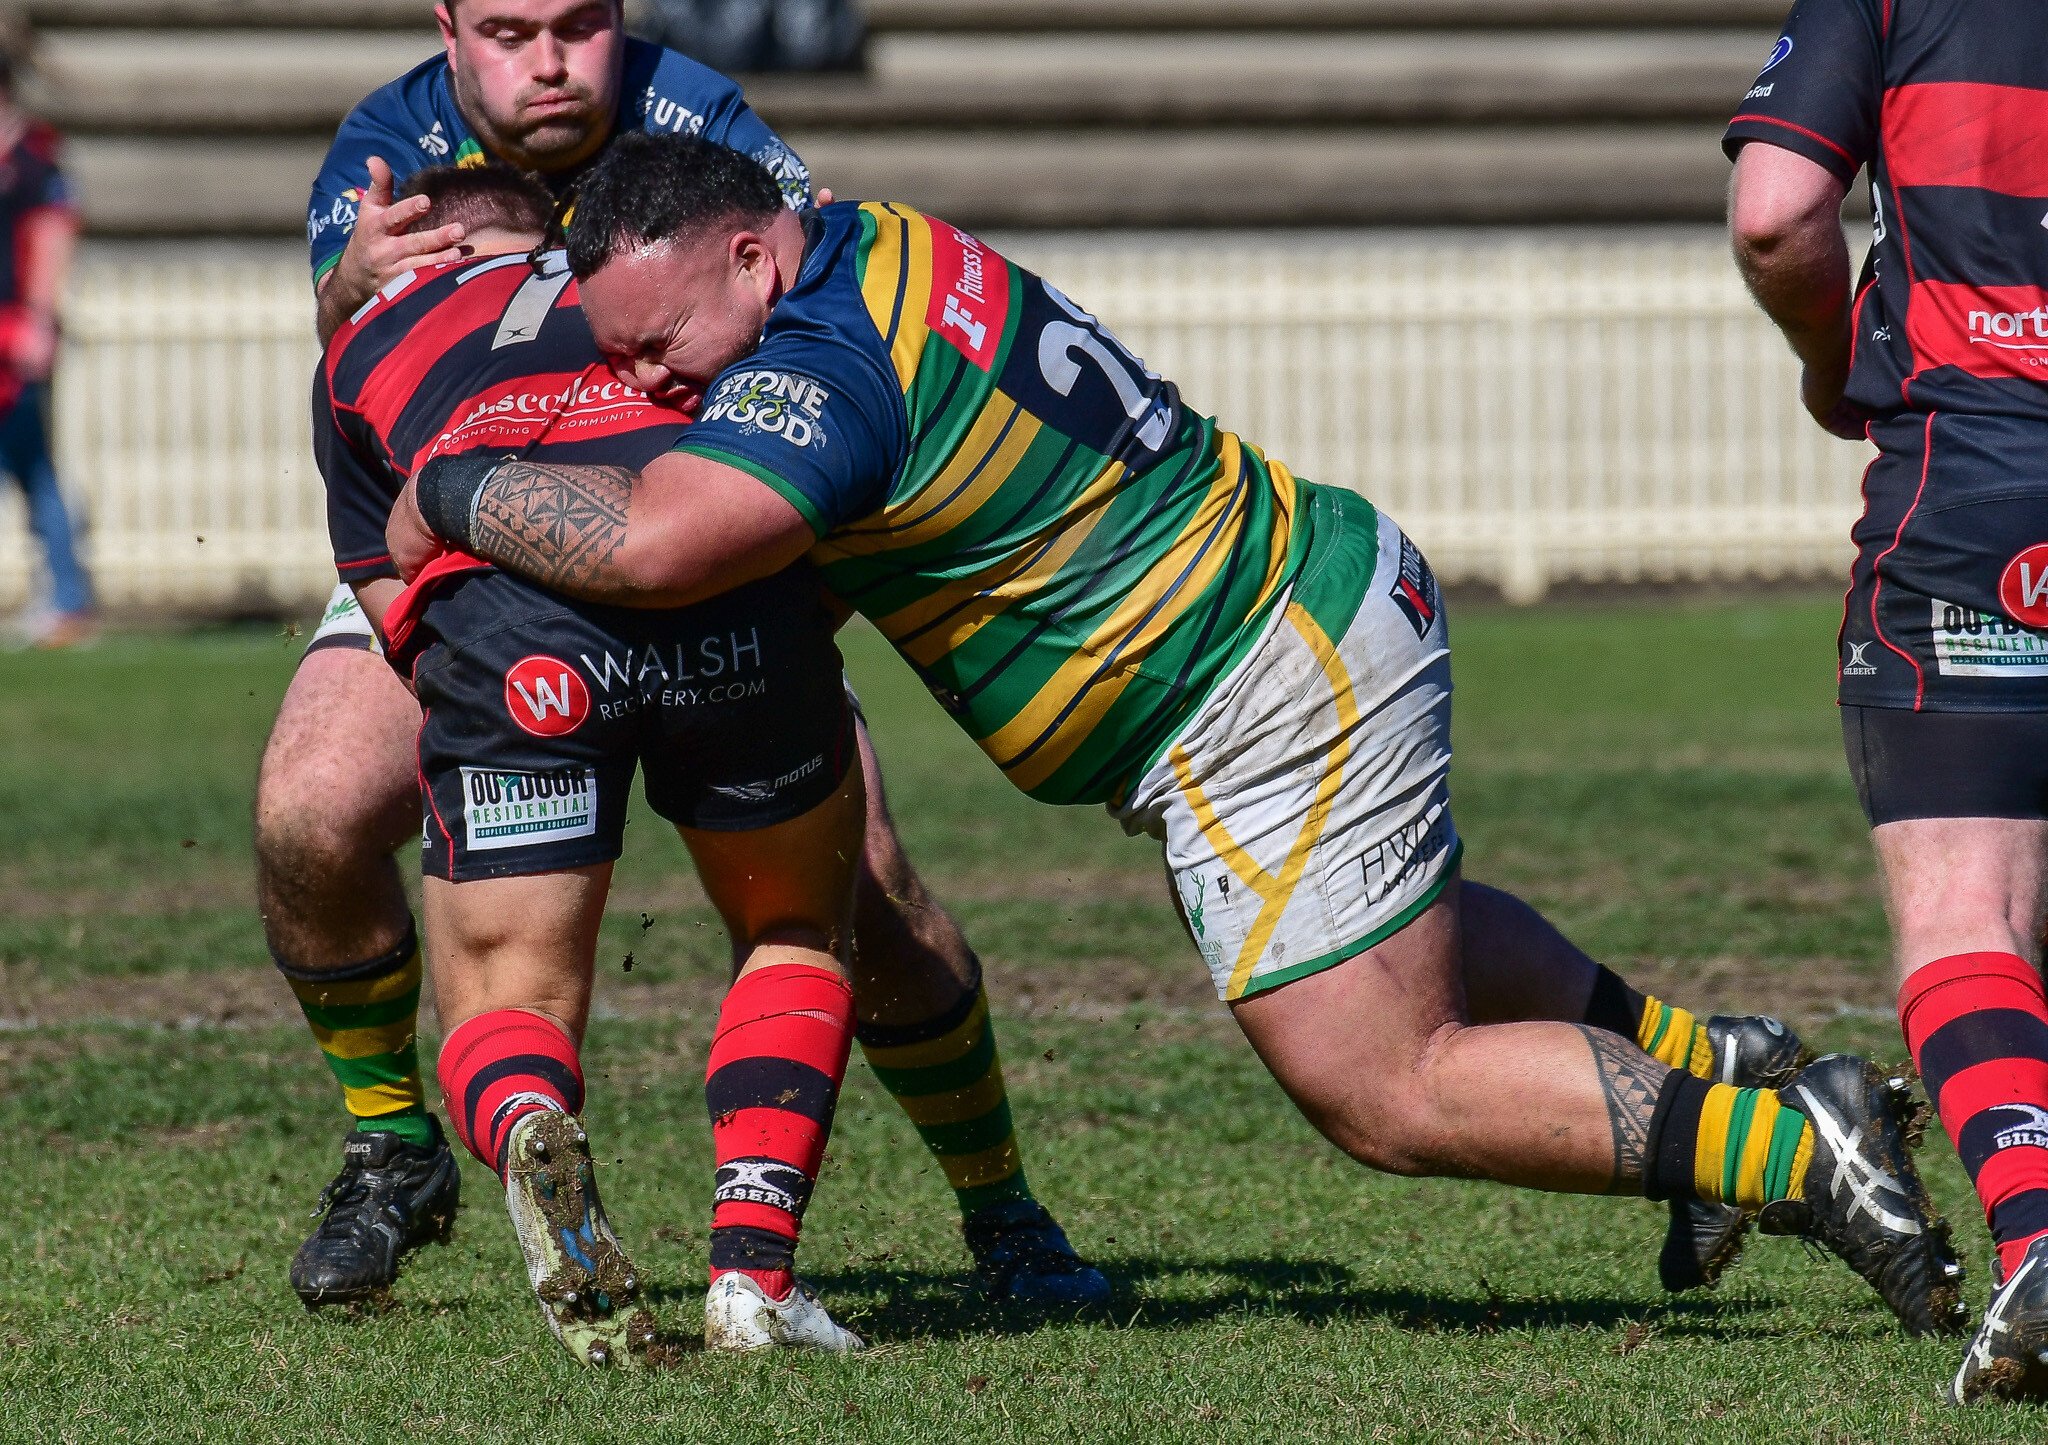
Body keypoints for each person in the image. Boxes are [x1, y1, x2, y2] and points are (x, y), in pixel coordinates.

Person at [390, 132, 1970, 1337]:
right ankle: (1732, 1063)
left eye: (655, 341)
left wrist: (449, 491)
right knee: (1397, 939)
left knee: (1383, 1086)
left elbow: (667, 541)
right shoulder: (865, 246)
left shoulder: (824, 361)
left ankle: (1798, 1156)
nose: (638, 378)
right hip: (1298, 606)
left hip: (1257, 679)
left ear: (747, 252)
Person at [268, 0, 1103, 1313]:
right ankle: (391, 1148)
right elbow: (354, 367)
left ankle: (1001, 1209)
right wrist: (341, 290)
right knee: (310, 812)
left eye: (579, 24)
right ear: (447, 30)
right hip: (478, 508)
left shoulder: (701, 112)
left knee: (870, 880)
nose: (549, 62)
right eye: (507, 31)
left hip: (663, 513)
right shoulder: (385, 142)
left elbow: (792, 322)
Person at [319, 165, 870, 1359]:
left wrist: (484, 678)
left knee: (506, 993)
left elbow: (385, 578)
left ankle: (524, 1116)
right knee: (794, 930)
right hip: (717, 577)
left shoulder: (364, 339)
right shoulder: (669, 284)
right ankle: (752, 1279)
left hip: (508, 620)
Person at [1725, 0, 2048, 1404]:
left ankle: (2041, 1237)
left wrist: (1827, 358)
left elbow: (1778, 211)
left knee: (1969, 905)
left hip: (1981, 472)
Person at [0, 53, 92, 648]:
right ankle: (63, 593)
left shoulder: (34, 157)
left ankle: (67, 598)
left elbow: (53, 236)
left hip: (14, 335)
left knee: (34, 469)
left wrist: (39, 319)